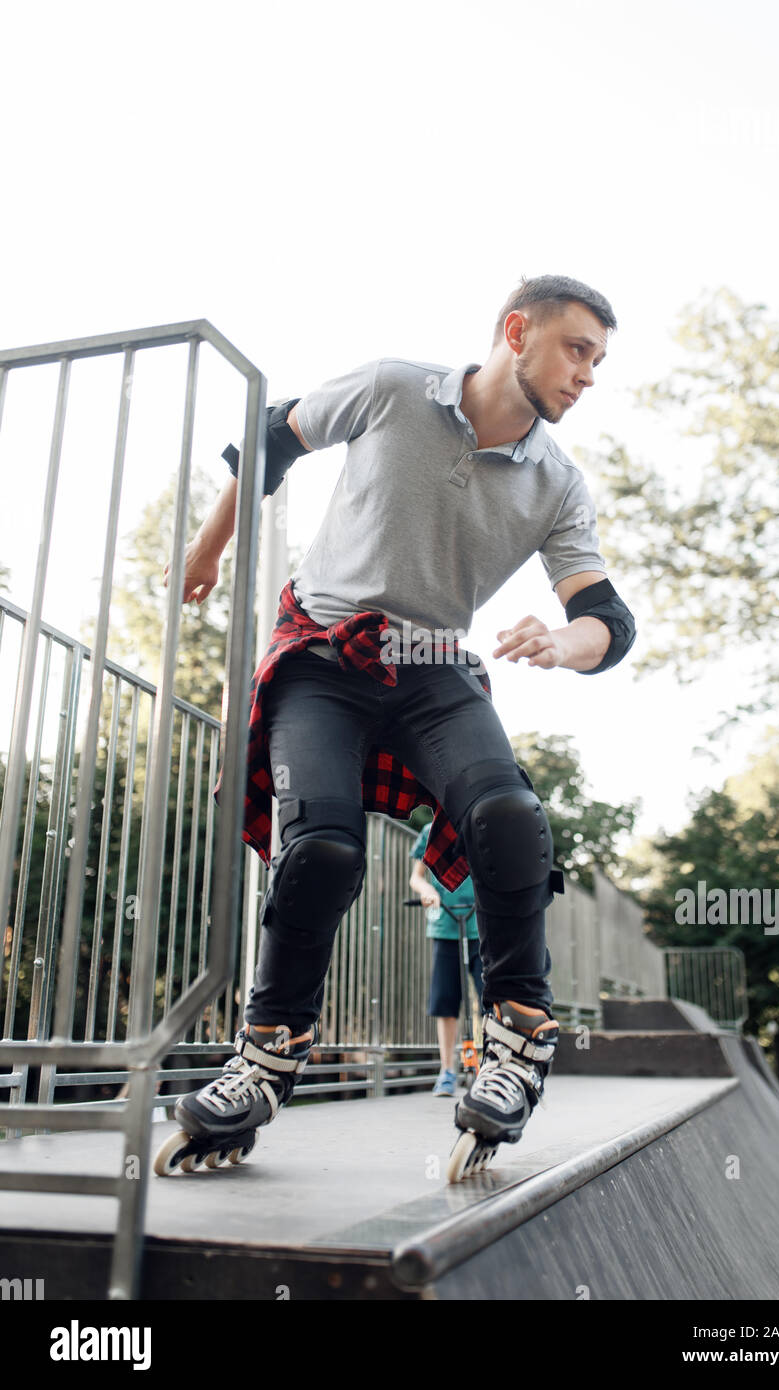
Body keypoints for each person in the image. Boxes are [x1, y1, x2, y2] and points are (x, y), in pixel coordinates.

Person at [161, 274, 636, 1179]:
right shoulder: (390, 390)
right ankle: (265, 1055)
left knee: (507, 816)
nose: (587, 376)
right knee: (323, 849)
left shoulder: (556, 482)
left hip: (434, 667)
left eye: (598, 361)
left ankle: (518, 1040)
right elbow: (272, 436)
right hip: (322, 658)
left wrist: (562, 639)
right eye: (577, 350)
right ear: (515, 333)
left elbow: (607, 617)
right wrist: (210, 545)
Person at [409, 818, 483, 1096]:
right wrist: (427, 890)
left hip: (479, 925)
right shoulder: (430, 832)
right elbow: (415, 877)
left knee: (490, 998)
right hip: (445, 926)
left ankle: (491, 1066)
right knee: (445, 1001)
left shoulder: (477, 826)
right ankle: (447, 1070)